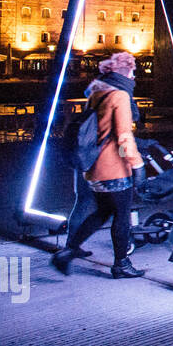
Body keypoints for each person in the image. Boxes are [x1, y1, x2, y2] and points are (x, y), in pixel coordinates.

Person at [51, 52, 145, 279]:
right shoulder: (120, 96)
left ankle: (69, 251)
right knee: (122, 216)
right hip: (114, 167)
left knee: (103, 211)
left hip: (94, 167)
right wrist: (136, 163)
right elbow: (123, 136)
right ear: (125, 72)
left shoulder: (97, 93)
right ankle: (121, 264)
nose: (134, 76)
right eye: (132, 71)